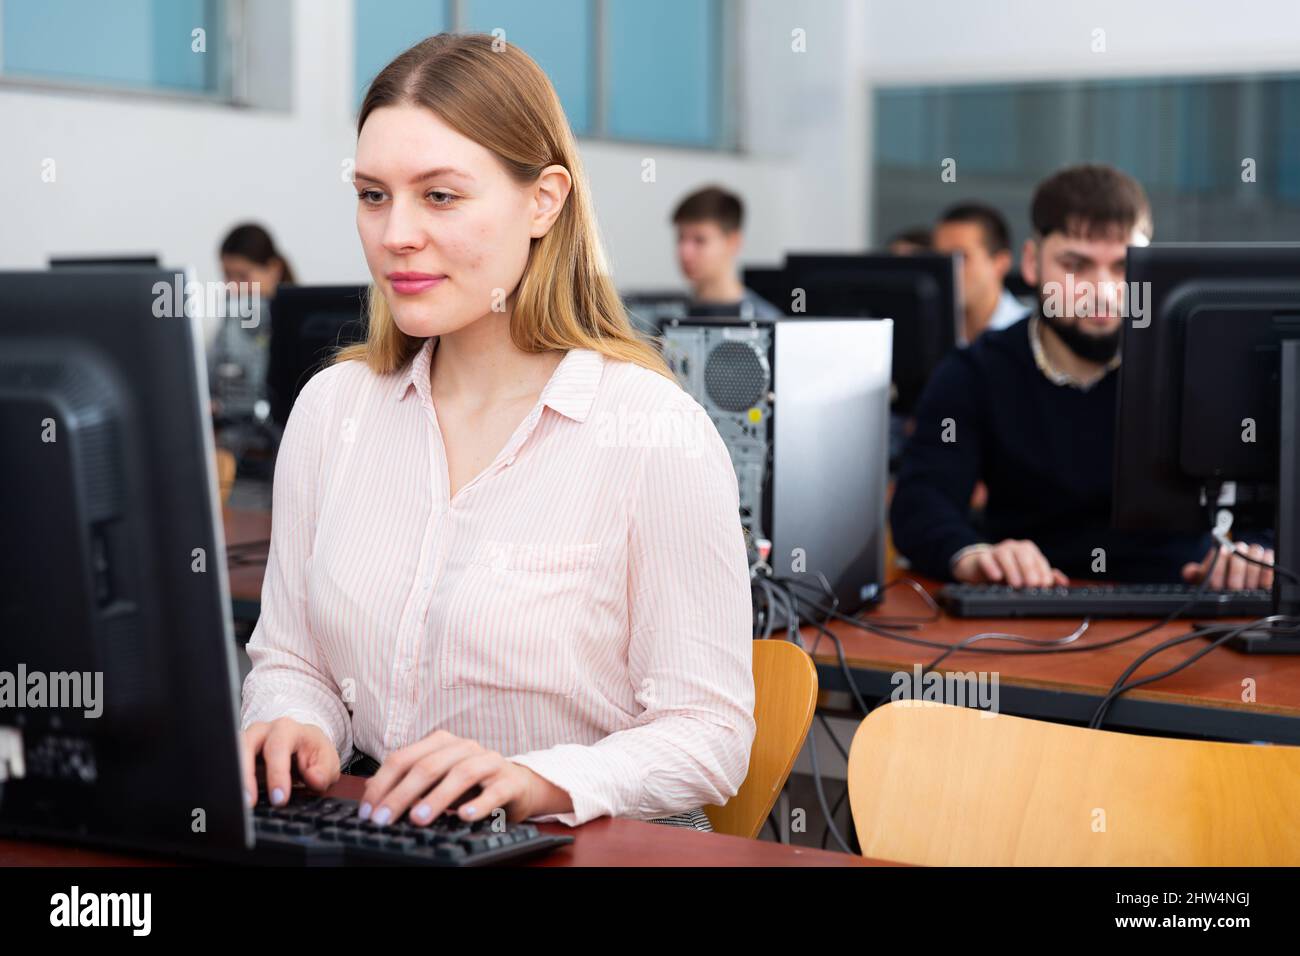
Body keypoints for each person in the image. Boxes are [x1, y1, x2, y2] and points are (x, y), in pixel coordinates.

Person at [238, 34, 755, 833]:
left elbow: (712, 736)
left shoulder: (654, 434)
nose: (396, 234)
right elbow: (292, 659)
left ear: (544, 201)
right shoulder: (332, 410)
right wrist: (294, 720)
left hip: (580, 844)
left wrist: (536, 779)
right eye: (373, 195)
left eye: (439, 196)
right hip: (385, 828)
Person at [890, 164, 1274, 589]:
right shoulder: (976, 370)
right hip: (1027, 606)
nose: (1103, 291)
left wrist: (1254, 553)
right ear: (1033, 264)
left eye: (1124, 266)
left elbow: (1268, 498)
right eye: (1076, 265)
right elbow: (920, 503)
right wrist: (972, 555)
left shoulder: (1196, 366)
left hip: (1180, 606)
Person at [209, 223, 296, 442]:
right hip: (235, 433)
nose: (234, 286)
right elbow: (207, 377)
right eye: (228, 276)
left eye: (243, 276)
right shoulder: (230, 321)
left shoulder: (297, 324)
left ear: (273, 269)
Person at [673, 186, 782, 318]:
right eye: (681, 238)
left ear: (733, 242)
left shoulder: (769, 322)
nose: (684, 252)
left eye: (700, 240)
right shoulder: (661, 319)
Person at [931, 202, 1030, 342]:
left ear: (1001, 263)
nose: (947, 269)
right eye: (939, 258)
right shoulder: (927, 334)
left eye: (961, 257)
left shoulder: (1033, 337)